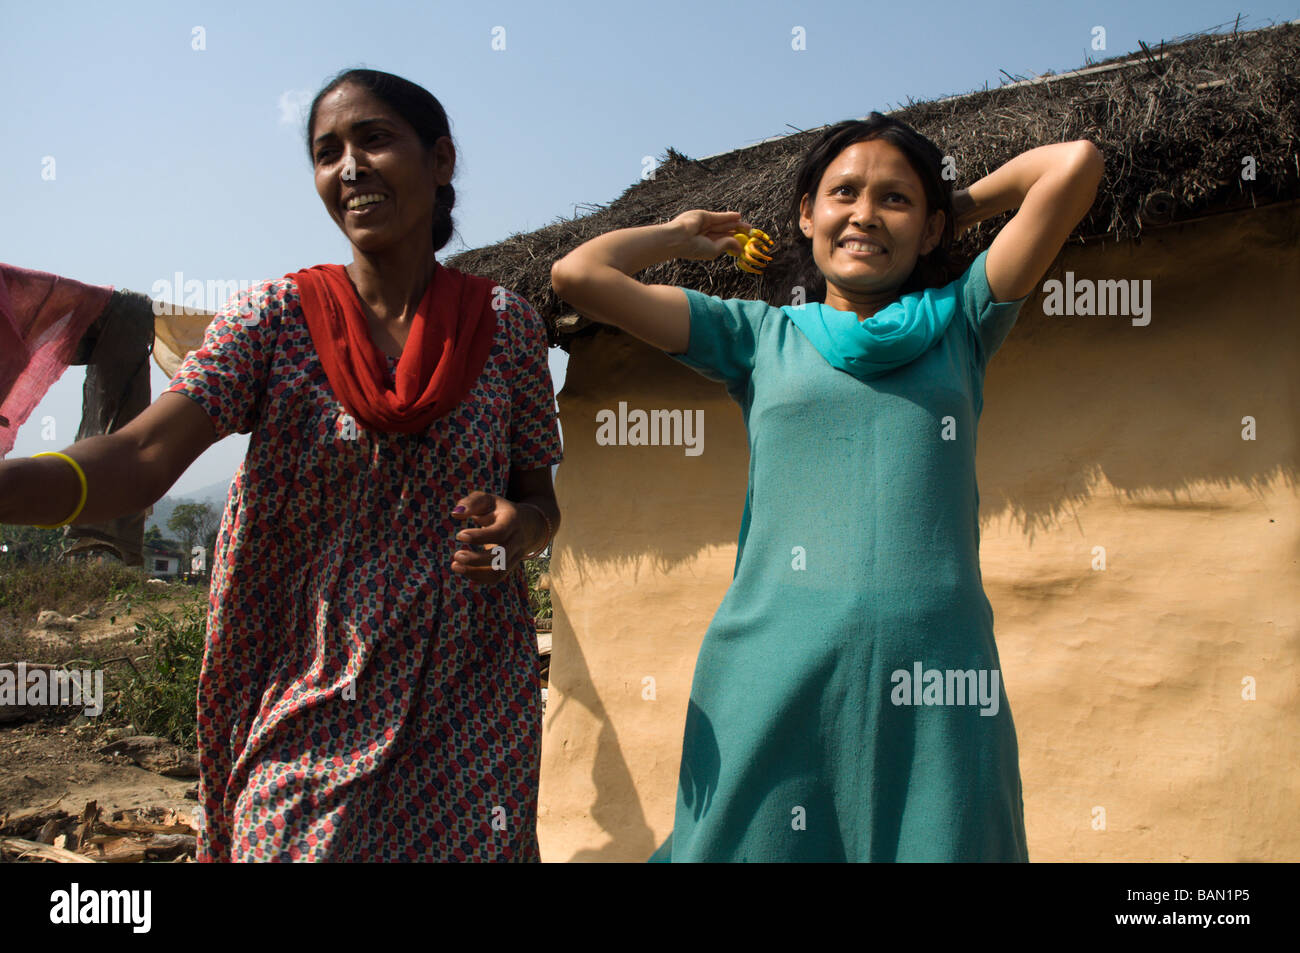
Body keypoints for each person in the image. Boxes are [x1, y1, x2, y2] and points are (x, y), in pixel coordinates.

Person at [0, 68, 562, 861]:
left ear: (440, 160)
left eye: (374, 139)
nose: (350, 167)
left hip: (468, 706)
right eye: (327, 152)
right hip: (304, 693)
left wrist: (520, 528)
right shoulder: (276, 321)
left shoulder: (507, 329)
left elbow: (539, 499)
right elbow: (139, 454)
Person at [551, 114, 1102, 861]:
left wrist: (950, 207)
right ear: (806, 214)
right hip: (772, 670)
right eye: (842, 193)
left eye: (894, 200)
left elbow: (1073, 164)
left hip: (940, 675)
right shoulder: (756, 337)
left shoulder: (964, 320)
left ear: (931, 227)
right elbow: (579, 277)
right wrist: (681, 236)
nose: (864, 214)